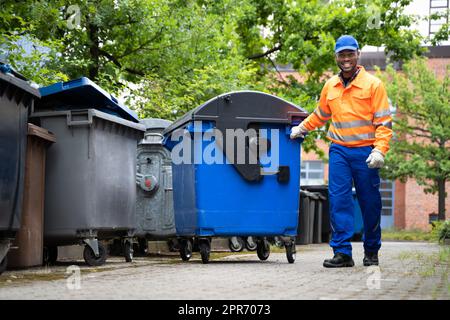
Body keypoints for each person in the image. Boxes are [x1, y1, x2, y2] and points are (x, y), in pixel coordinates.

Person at [290, 35, 393, 268]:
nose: (346, 59)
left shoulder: (373, 85)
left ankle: (371, 250)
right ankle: (343, 252)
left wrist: (380, 150)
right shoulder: (331, 86)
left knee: (369, 202)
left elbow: (384, 122)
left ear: (358, 55)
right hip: (339, 151)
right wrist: (302, 128)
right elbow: (321, 115)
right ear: (336, 57)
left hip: (366, 151)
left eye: (350, 54)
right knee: (339, 201)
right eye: (341, 55)